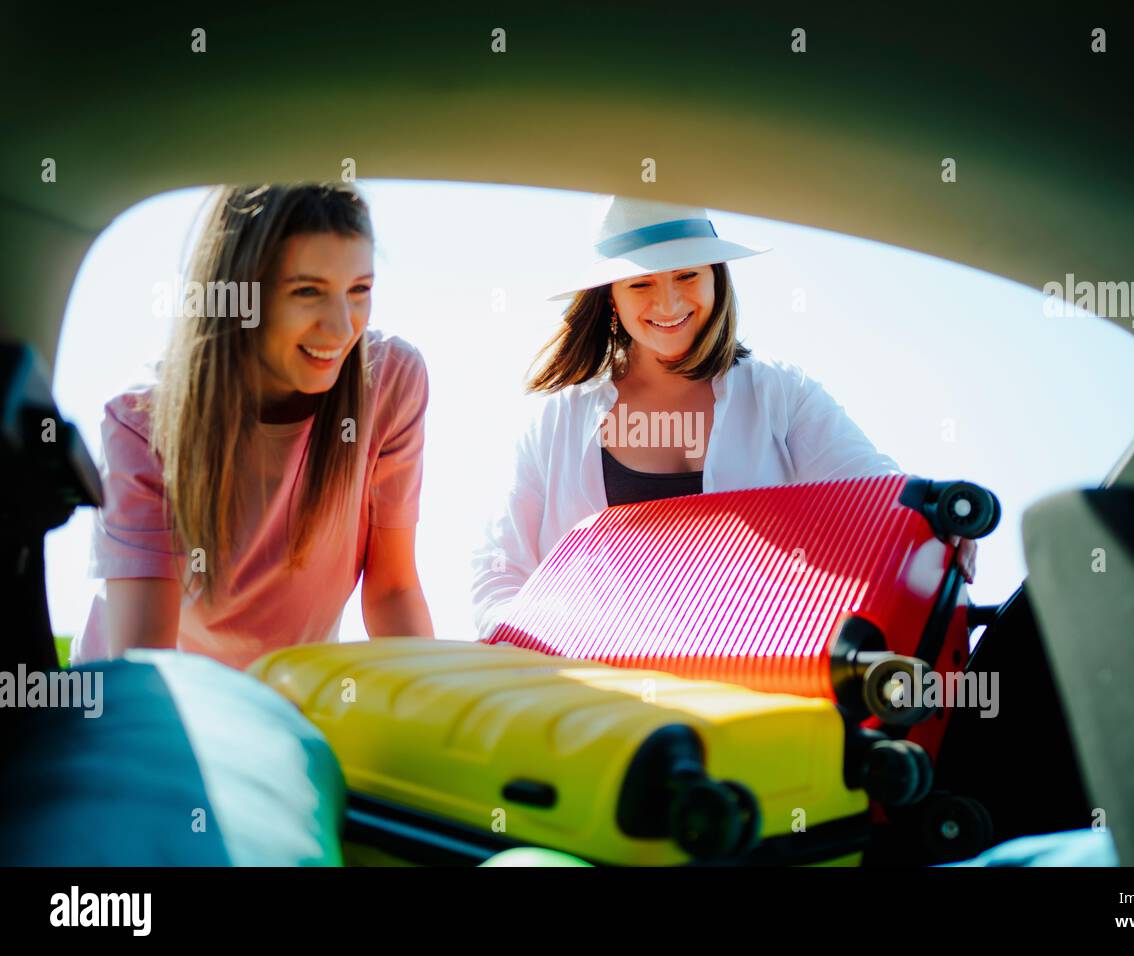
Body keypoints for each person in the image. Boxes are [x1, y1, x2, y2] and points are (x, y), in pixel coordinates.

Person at [470, 195, 977, 637]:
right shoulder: (555, 421)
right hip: (600, 707)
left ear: (716, 278)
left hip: (753, 686)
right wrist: (537, 672)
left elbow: (874, 491)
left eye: (686, 274)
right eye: (640, 283)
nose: (668, 302)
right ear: (611, 300)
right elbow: (500, 571)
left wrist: (938, 516)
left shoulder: (783, 393)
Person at [73, 182, 434, 671]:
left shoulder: (391, 381)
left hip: (282, 698)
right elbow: (148, 668)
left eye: (359, 291)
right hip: (155, 700)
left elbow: (392, 589)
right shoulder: (140, 422)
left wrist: (430, 715)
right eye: (307, 291)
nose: (341, 325)